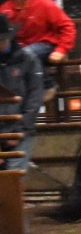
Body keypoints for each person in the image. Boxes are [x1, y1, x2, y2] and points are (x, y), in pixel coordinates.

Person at [1, 0, 77, 101]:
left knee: (25, 54)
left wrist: (61, 49)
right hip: (21, 50)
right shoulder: (5, 9)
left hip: (46, 45)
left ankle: (47, 84)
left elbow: (67, 26)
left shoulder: (46, 4)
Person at [0, 15, 44, 173]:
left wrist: (20, 129)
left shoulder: (28, 60)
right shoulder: (27, 59)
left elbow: (34, 98)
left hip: (19, 128)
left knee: (14, 178)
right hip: (12, 124)